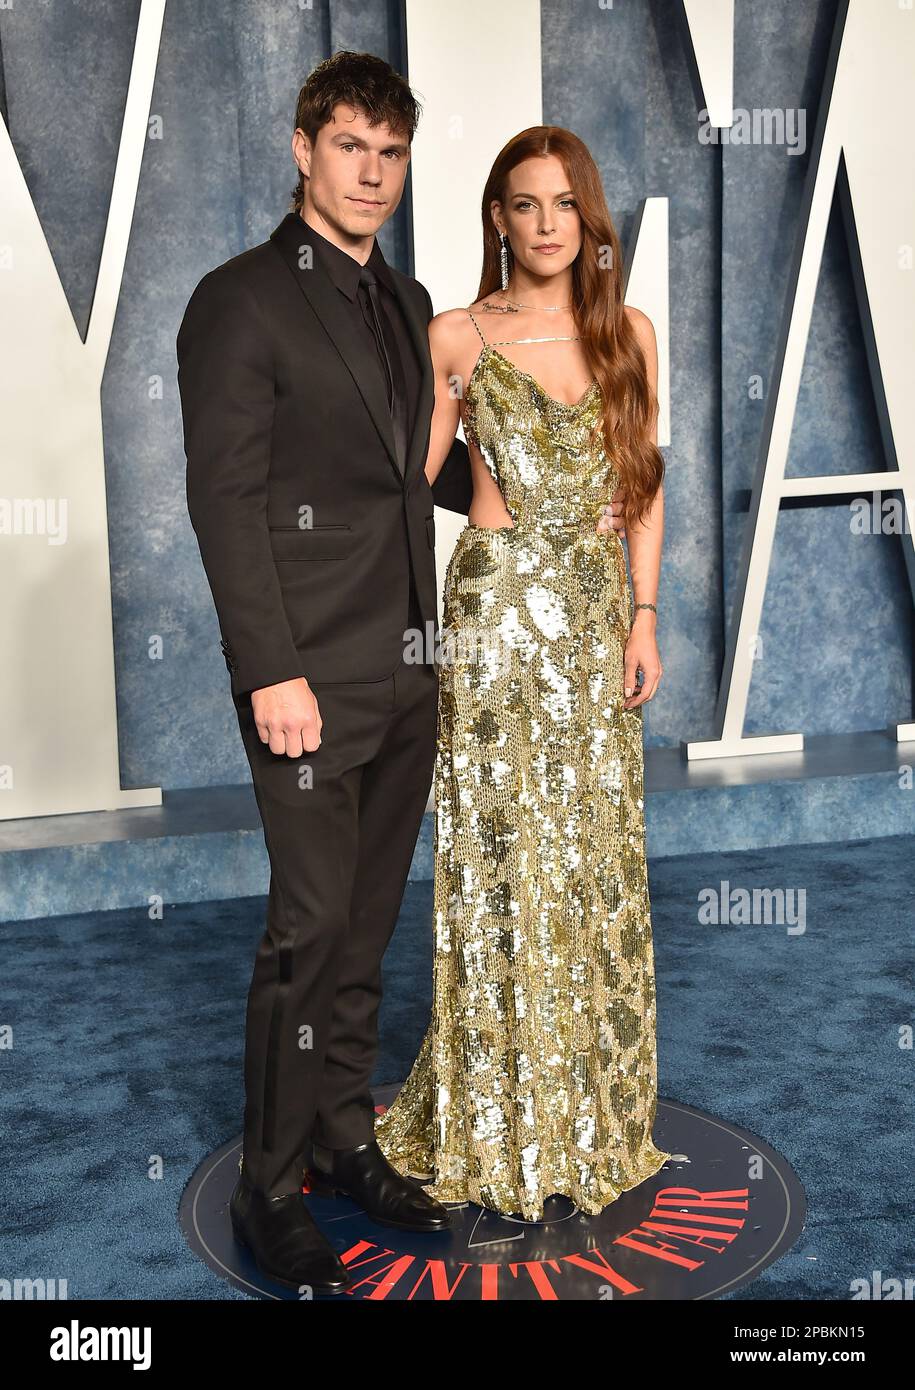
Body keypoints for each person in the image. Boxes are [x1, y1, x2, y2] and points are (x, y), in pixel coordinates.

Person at [177, 52, 630, 1290]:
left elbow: (421, 473)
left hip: (414, 666)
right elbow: (222, 503)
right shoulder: (241, 299)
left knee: (368, 925)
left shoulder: (410, 299)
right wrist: (270, 670)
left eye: (390, 153)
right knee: (306, 926)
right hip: (305, 680)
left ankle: (339, 1136)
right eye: (348, 148)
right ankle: (273, 1185)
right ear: (301, 148)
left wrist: (546, 480)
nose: (369, 173)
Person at [374, 125, 672, 1221]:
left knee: (586, 850)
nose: (546, 225)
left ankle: (582, 1112)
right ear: (497, 218)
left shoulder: (628, 331)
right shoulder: (456, 333)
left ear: (587, 220)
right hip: (496, 615)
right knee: (502, 856)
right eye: (524, 204)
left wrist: (643, 617)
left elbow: (640, 487)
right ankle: (496, 1113)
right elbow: (411, 478)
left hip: (598, 619)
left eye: (564, 206)